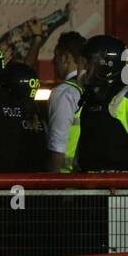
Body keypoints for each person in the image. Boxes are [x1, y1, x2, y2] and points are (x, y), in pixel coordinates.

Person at [62, 35, 128, 173]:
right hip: (88, 192)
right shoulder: (87, 102)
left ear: (106, 65)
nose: (83, 69)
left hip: (121, 193)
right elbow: (72, 156)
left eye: (88, 63)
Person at [46, 31, 85, 172]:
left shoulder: (64, 93)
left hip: (67, 182)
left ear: (65, 58)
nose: (52, 61)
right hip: (91, 183)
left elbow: (57, 147)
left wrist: (52, 188)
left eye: (55, 56)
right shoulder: (93, 90)